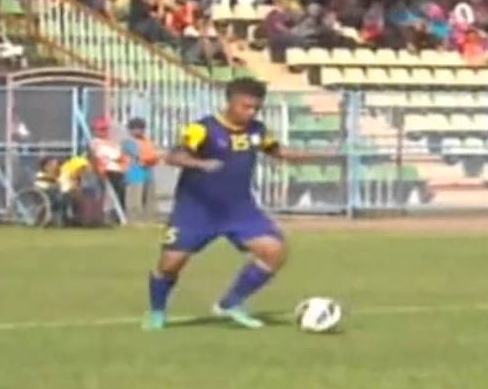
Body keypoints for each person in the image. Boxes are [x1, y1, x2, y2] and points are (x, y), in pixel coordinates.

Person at [146, 78, 319, 331]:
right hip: (196, 209)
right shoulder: (202, 128)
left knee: (274, 251)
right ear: (230, 102)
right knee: (169, 265)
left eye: (255, 109)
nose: (250, 113)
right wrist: (201, 164)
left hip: (239, 209)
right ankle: (157, 312)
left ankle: (230, 303)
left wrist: (321, 154)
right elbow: (174, 156)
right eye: (245, 107)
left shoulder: (257, 131)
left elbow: (278, 152)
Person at [121, 118, 161, 222]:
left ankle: (150, 219)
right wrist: (152, 157)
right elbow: (138, 156)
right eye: (135, 128)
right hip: (134, 170)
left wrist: (153, 158)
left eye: (141, 128)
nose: (139, 131)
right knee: (134, 195)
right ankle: (133, 219)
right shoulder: (128, 141)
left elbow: (153, 154)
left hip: (148, 169)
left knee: (150, 196)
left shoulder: (148, 141)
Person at [89, 117, 129, 215]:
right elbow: (102, 156)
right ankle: (104, 212)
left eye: (105, 129)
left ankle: (118, 213)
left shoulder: (112, 143)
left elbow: (119, 156)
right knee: (106, 193)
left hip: (117, 170)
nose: (104, 132)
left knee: (119, 193)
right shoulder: (95, 142)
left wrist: (119, 160)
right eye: (101, 129)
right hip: (106, 170)